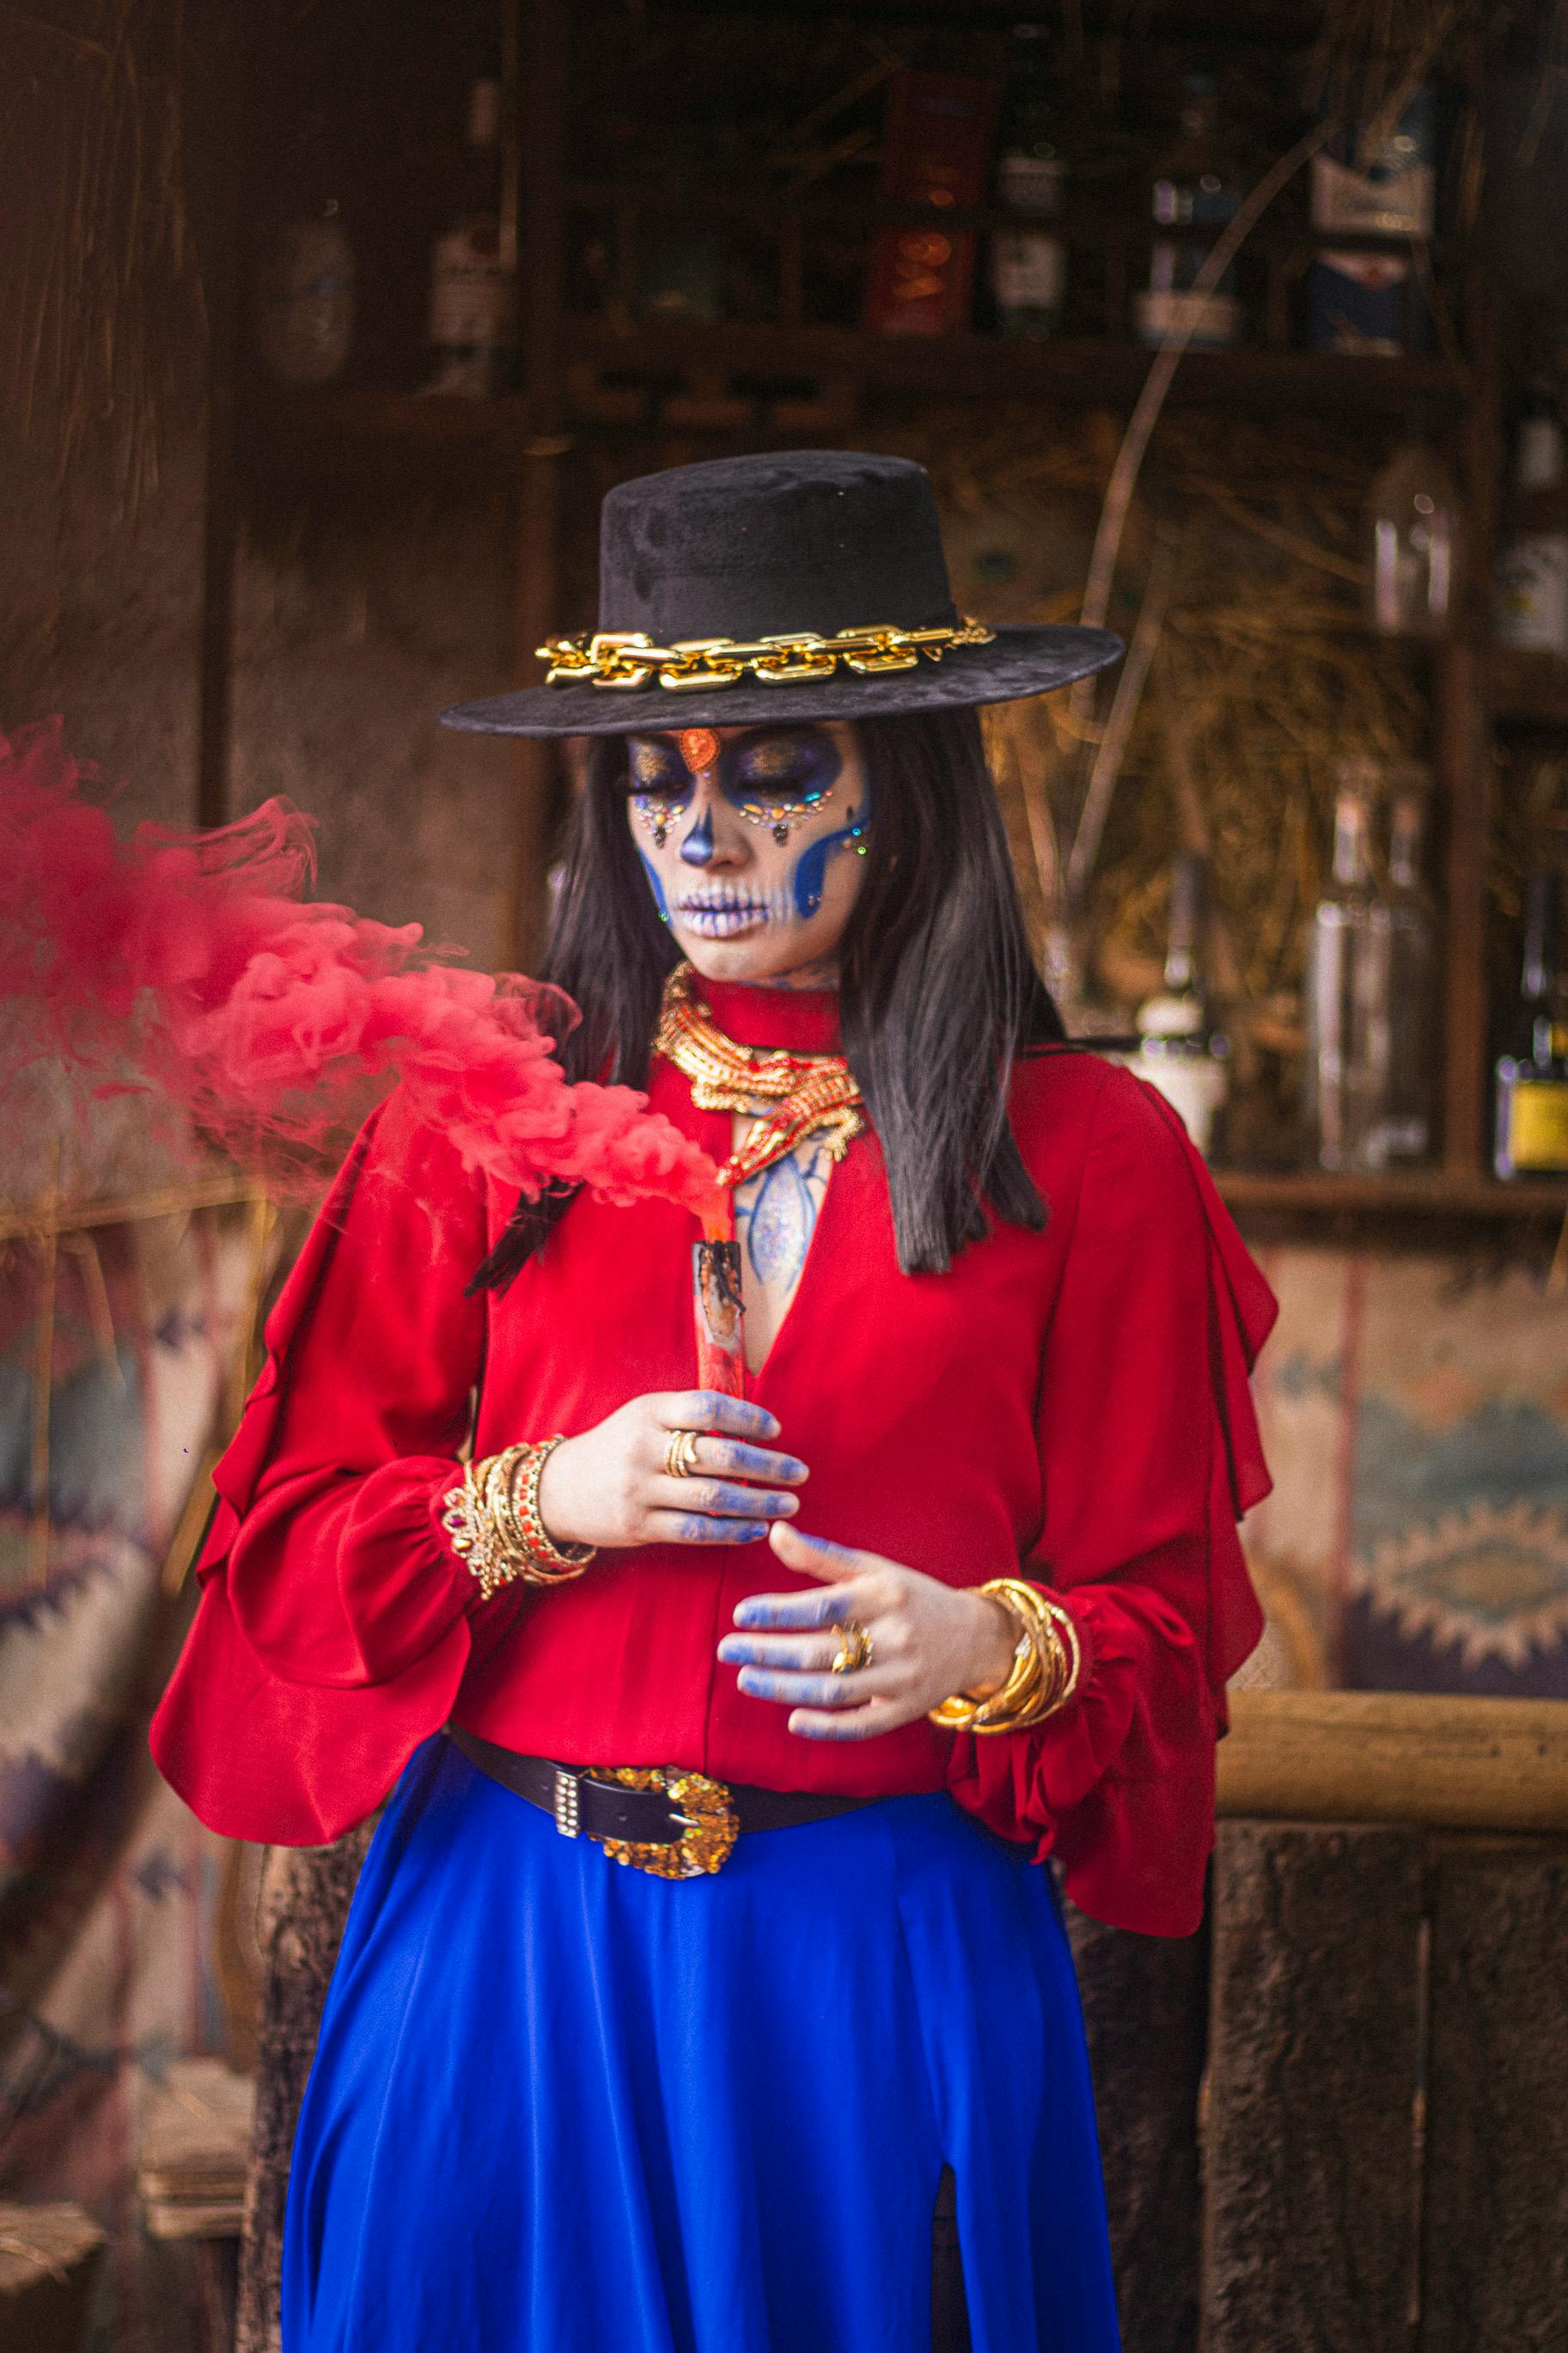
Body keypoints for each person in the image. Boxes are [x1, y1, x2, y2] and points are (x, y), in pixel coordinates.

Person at [151, 451, 1277, 2353]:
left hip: (870, 1963)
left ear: (905, 786)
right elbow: (285, 1552)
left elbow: (1166, 1634)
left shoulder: (1094, 1154)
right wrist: (536, 1500)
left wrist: (986, 1645)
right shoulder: (486, 1115)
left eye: (775, 768)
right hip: (509, 1949)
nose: (705, 832)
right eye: (654, 777)